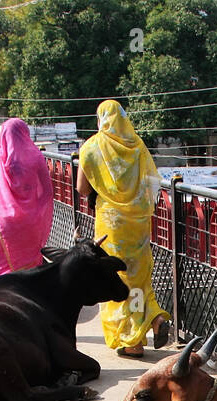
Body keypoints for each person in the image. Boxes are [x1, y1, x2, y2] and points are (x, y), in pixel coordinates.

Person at [76, 99, 170, 358]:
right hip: (138, 223)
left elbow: (82, 189)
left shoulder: (92, 147)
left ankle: (132, 341)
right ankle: (154, 320)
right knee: (138, 278)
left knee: (115, 277)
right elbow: (152, 183)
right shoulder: (137, 145)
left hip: (111, 224)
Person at [0, 118, 53, 281]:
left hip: (5, 224)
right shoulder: (36, 157)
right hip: (31, 224)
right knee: (30, 269)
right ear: (25, 134)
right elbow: (47, 193)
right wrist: (35, 214)